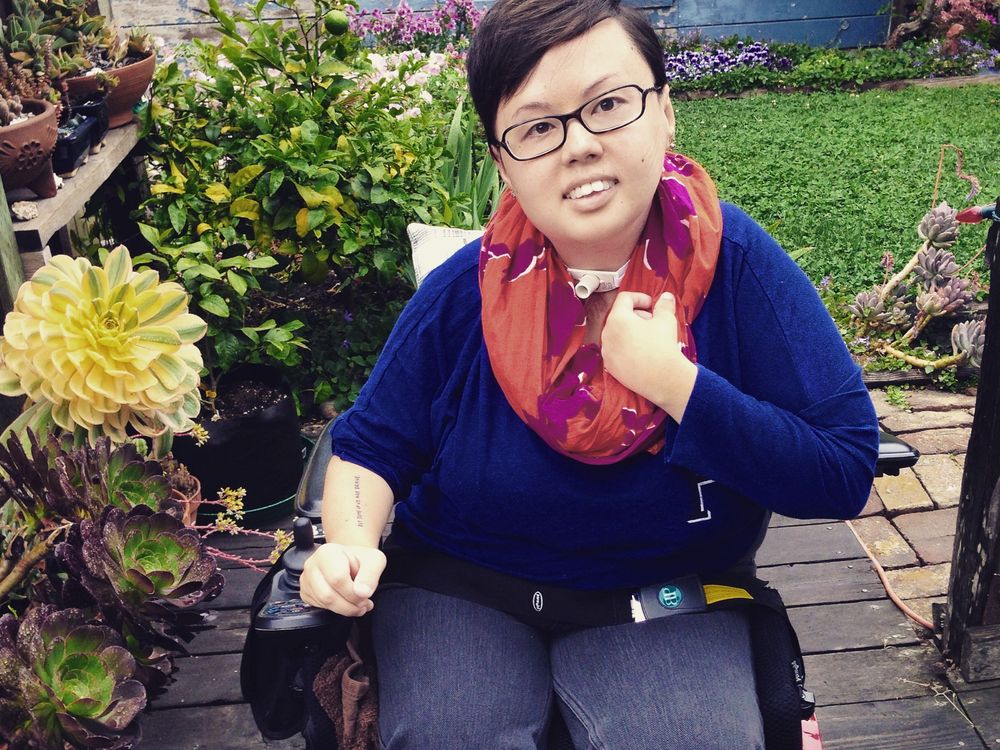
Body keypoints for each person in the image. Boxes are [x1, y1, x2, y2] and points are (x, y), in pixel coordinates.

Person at [300, 0, 880, 747]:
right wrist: (348, 542)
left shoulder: (738, 266)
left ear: (666, 112)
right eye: (539, 127)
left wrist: (677, 386)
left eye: (608, 104)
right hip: (464, 584)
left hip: (666, 592)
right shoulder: (466, 292)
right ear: (504, 160)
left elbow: (842, 470)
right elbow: (371, 448)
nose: (578, 145)